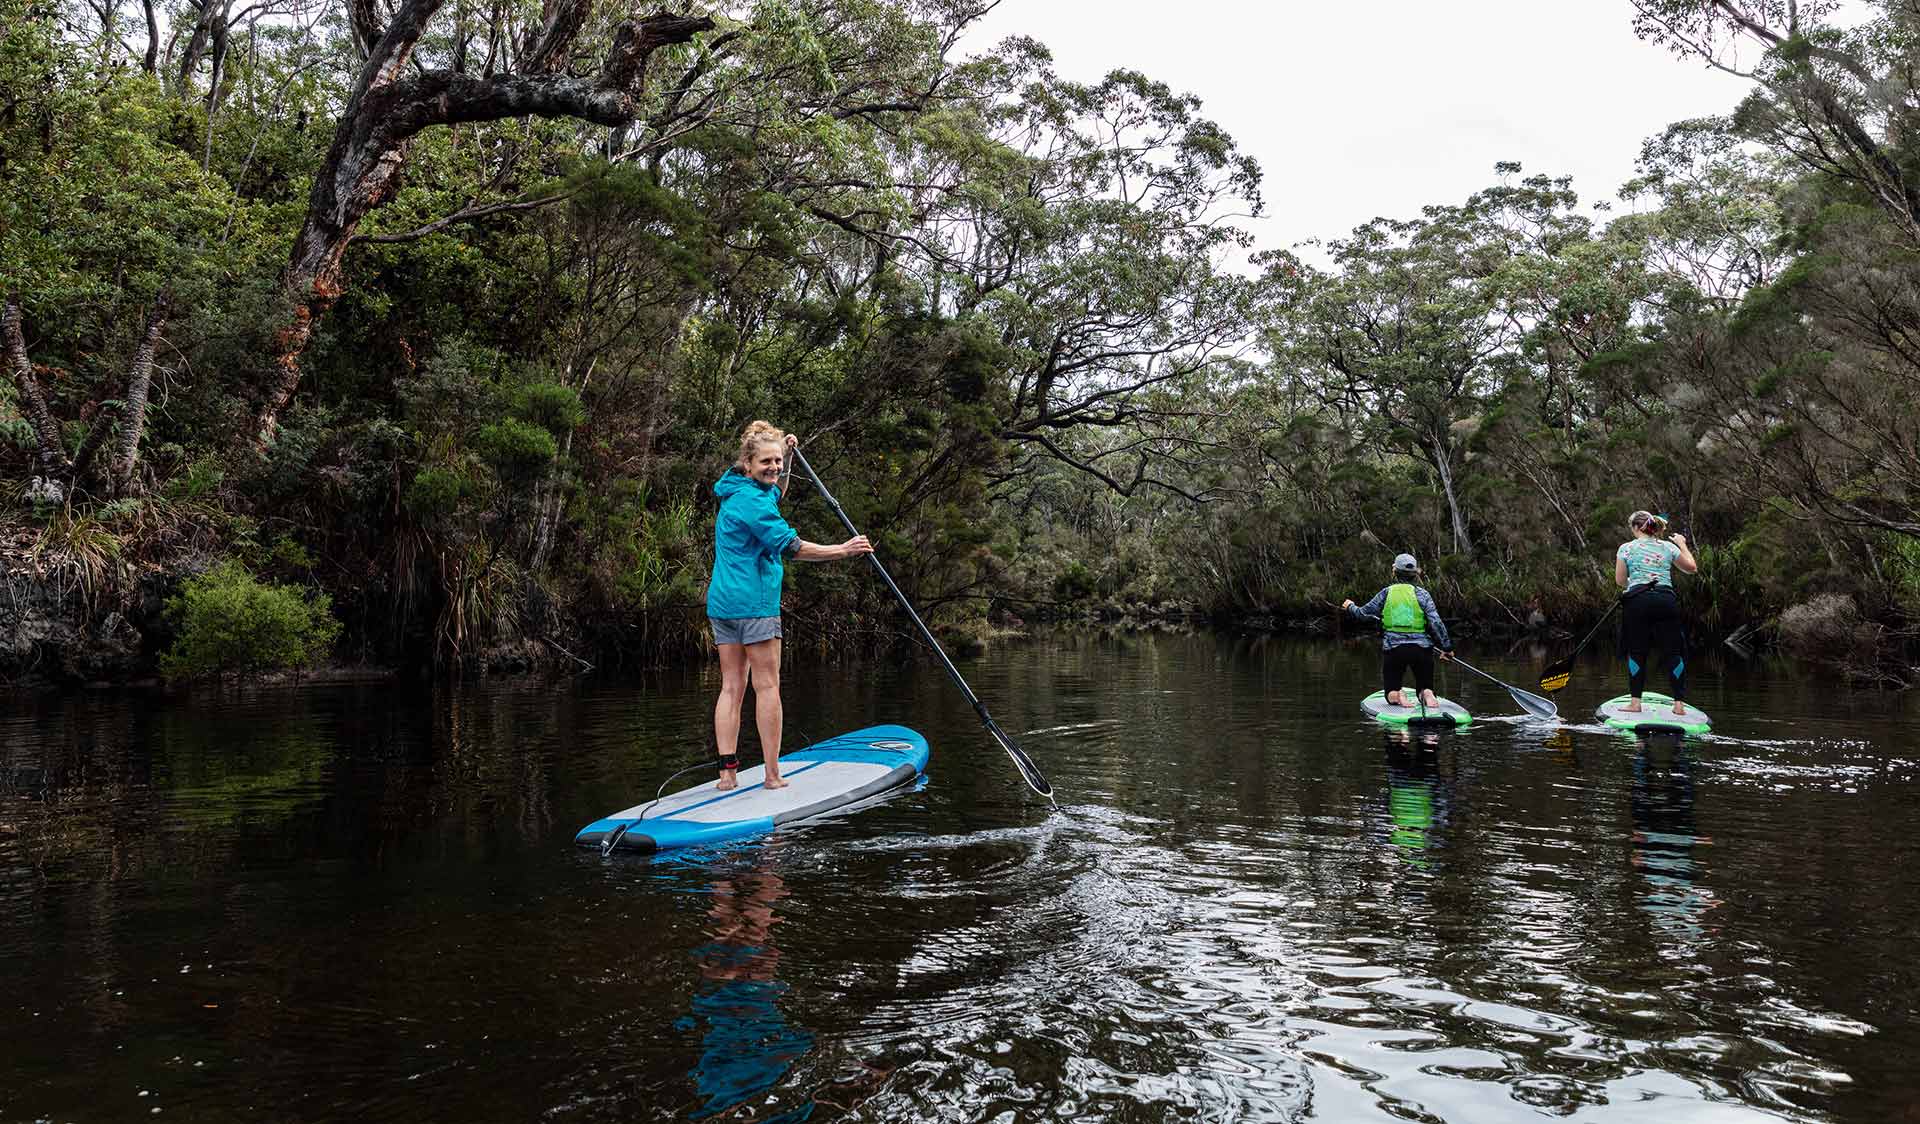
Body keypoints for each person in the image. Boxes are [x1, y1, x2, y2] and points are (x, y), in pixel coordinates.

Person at [708, 421, 872, 790]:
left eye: (778, 460)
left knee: (731, 687)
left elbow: (774, 493)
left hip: (723, 603)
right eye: (767, 461)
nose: (775, 467)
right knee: (767, 687)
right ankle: (772, 775)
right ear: (747, 463)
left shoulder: (738, 489)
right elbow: (792, 547)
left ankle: (727, 776)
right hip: (755, 604)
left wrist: (790, 455)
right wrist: (843, 549)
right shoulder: (753, 502)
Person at [1343, 554, 1454, 709]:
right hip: (1422, 650)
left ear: (1394, 572)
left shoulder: (1386, 593)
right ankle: (1427, 694)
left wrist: (1350, 606)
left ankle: (1397, 694)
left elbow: (1363, 615)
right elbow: (1436, 623)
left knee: (1391, 691)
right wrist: (1446, 648)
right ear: (1416, 574)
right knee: (1425, 687)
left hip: (1395, 650)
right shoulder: (1423, 594)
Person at [1614, 510, 1698, 714]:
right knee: (1673, 652)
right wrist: (1682, 544)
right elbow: (1691, 568)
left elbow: (1620, 581)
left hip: (1637, 601)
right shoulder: (1668, 547)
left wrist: (1634, 582)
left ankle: (1635, 704)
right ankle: (1679, 705)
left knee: (1637, 650)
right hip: (1665, 600)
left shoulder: (1626, 548)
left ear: (1635, 527)